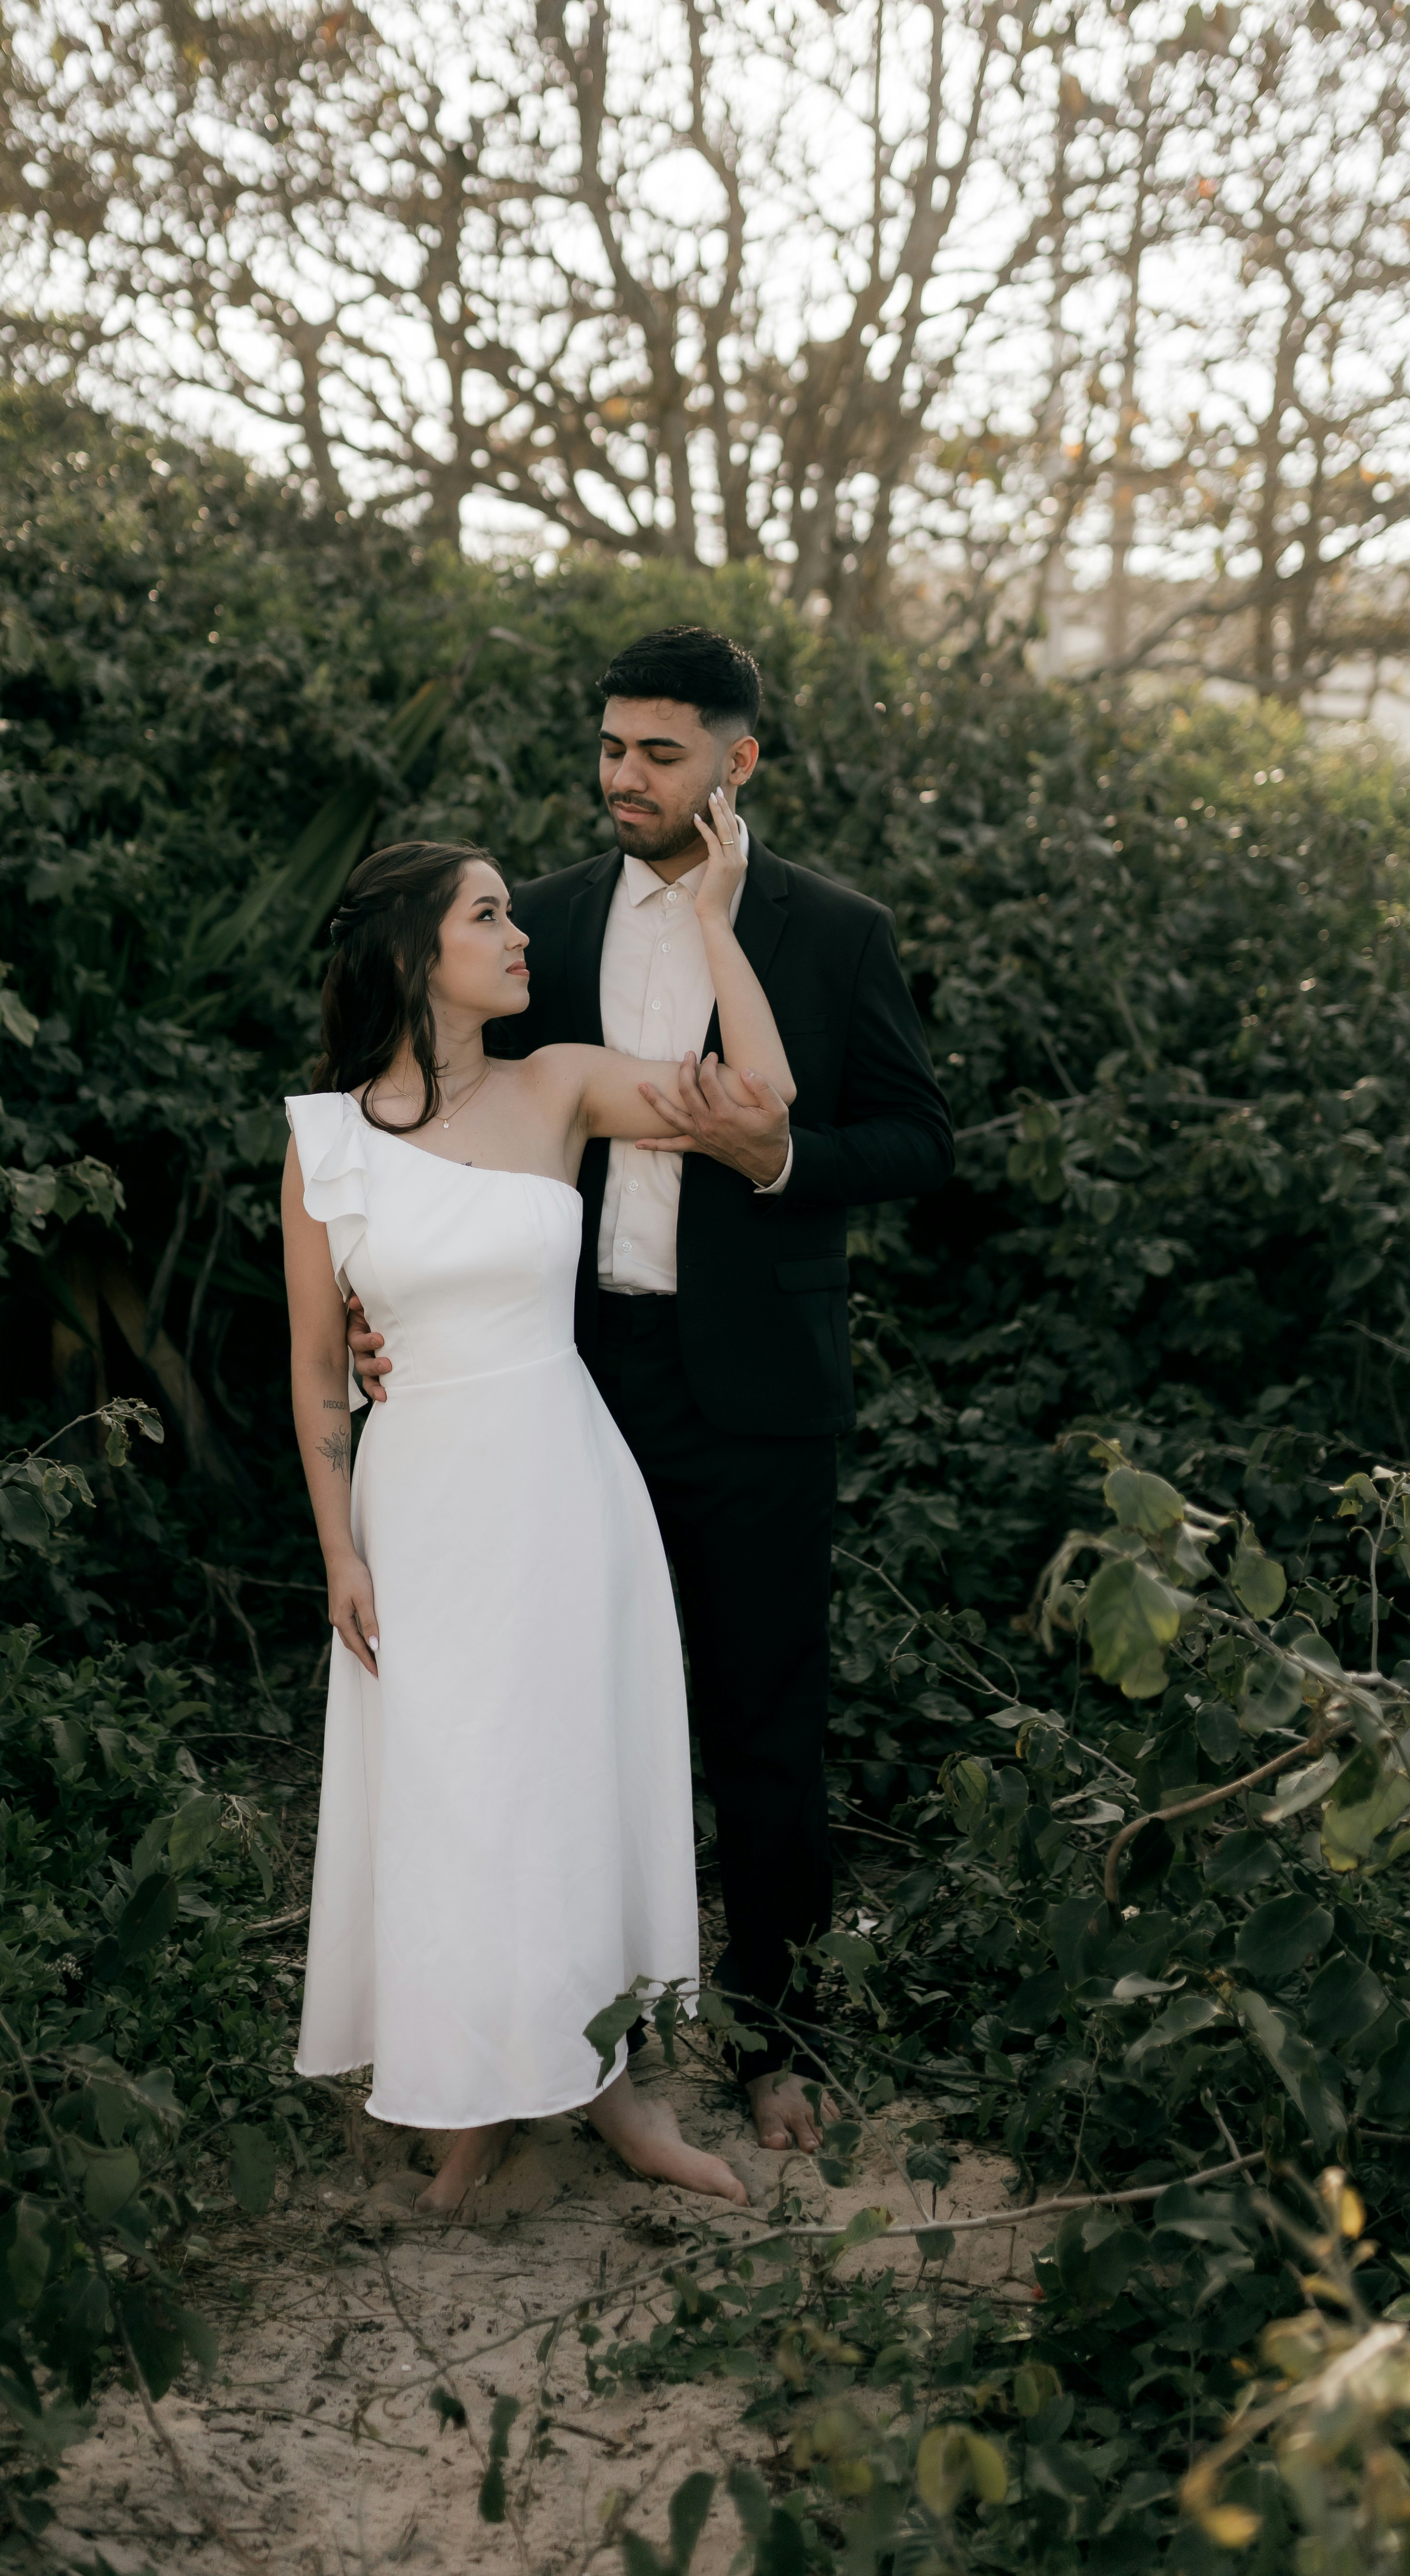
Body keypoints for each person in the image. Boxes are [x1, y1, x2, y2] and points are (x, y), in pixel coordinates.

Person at [351, 628, 953, 2153]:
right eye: (612, 747)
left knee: (764, 1725)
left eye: (660, 754)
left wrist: (787, 1162)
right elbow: (444, 1134)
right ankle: (569, 2045)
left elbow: (919, 1141)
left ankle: (773, 2038)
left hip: (759, 1393)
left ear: (737, 764)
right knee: (558, 1719)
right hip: (567, 1382)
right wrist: (394, 1313)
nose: (624, 778)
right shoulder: (536, 922)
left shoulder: (834, 930)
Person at [281, 792, 795, 2216]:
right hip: (421, 1502)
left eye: (512, 909)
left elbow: (760, 1103)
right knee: (448, 1792)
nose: (519, 936)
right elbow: (320, 1364)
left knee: (568, 1781)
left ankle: (613, 2094)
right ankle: (468, 2103)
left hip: (565, 1485)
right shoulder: (325, 1141)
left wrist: (711, 915)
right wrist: (339, 1553)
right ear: (408, 952)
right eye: (487, 914)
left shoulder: (561, 1082)